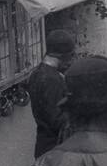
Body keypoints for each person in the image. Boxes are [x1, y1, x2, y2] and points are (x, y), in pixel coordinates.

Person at [26, 28, 76, 158]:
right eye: (70, 57)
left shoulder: (36, 74)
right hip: (55, 149)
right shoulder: (52, 79)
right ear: (63, 56)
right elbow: (57, 120)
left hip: (43, 145)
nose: (70, 62)